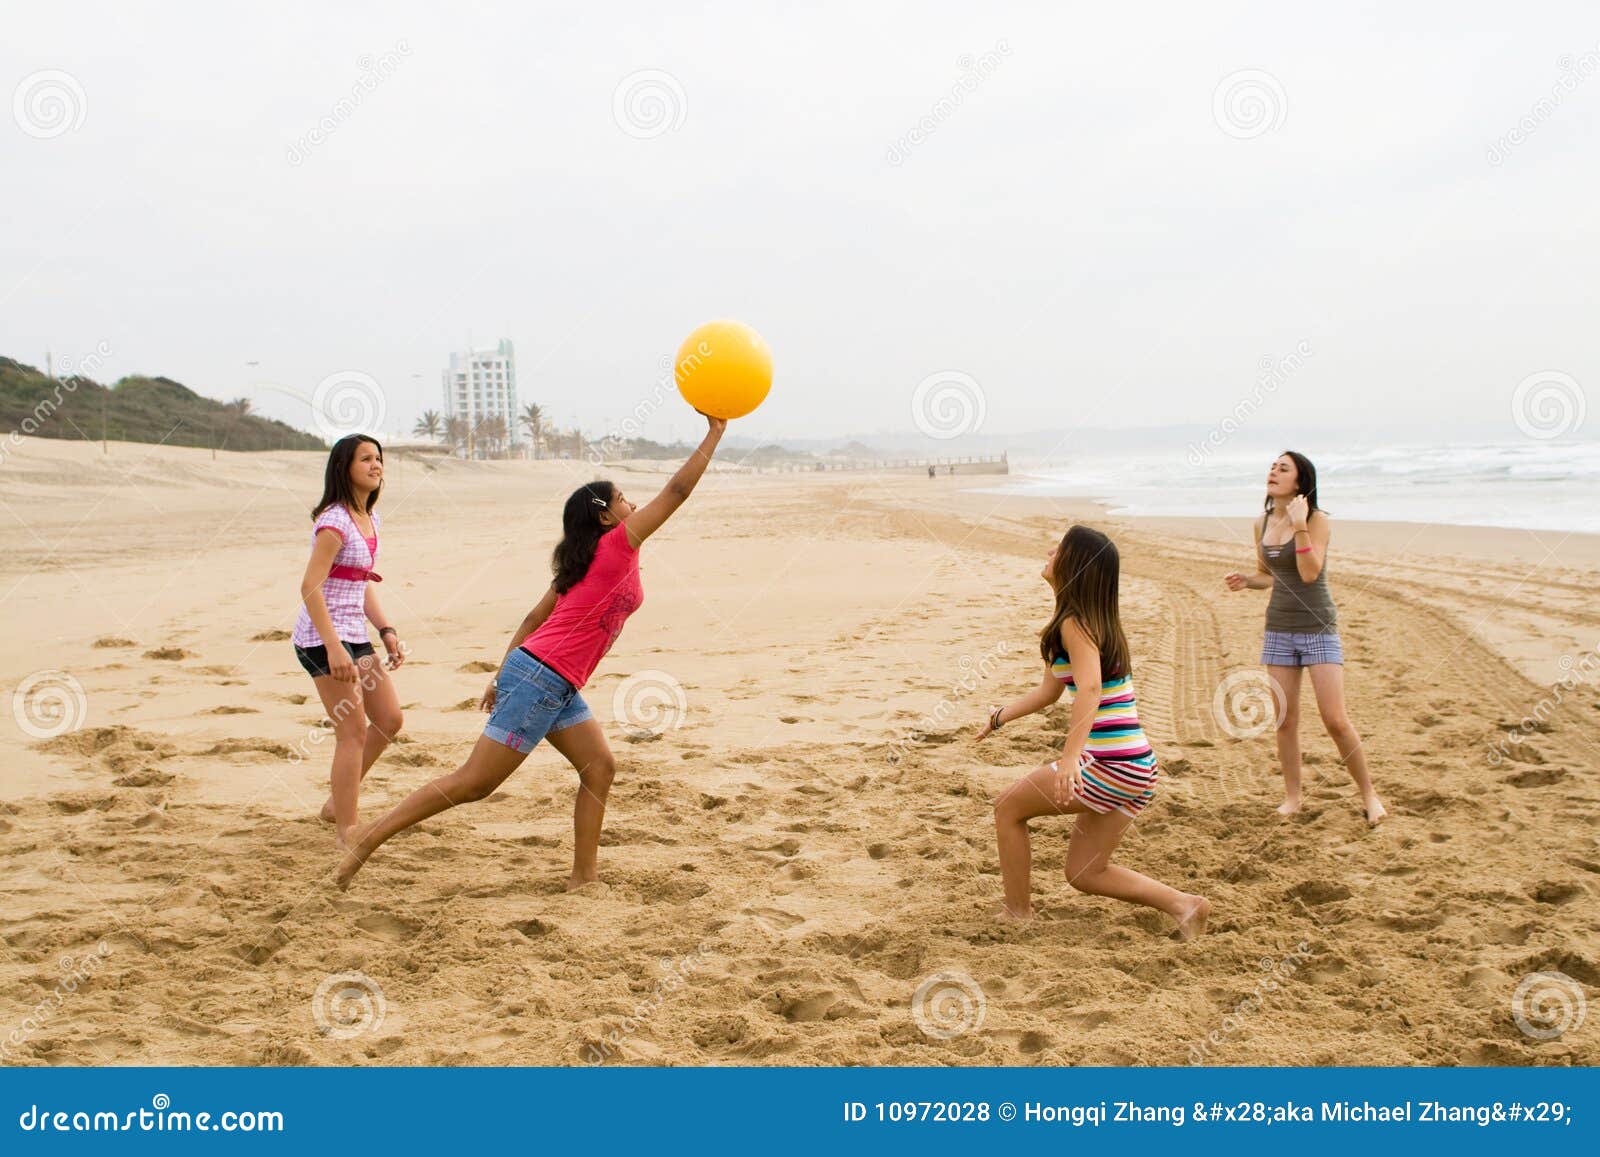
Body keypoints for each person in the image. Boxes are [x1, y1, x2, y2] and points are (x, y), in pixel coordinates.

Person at [336, 414, 728, 889]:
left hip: (548, 679)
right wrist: (715, 433)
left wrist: (501, 675)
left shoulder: (584, 561)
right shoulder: (618, 545)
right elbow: (677, 493)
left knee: (599, 767)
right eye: (624, 498)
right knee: (474, 783)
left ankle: (583, 878)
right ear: (605, 516)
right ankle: (368, 837)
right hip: (544, 676)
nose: (635, 503)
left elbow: (531, 621)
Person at [984, 525, 1210, 938]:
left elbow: (1090, 688)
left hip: (1109, 763)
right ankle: (1185, 905)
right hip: (1137, 766)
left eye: (1061, 548)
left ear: (1075, 565)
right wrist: (1002, 716)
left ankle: (1017, 912)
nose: (1050, 551)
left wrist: (1070, 759)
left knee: (1007, 809)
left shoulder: (1075, 623)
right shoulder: (1081, 622)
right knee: (1085, 872)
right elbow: (1050, 692)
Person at [1225, 451, 1385, 824]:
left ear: (1300, 482)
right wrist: (1248, 581)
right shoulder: (1261, 522)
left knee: (1335, 720)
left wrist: (1299, 526)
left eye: (1283, 469)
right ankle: (1293, 798)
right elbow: (1269, 575)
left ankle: (1369, 795)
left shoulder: (1316, 520)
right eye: (1272, 467)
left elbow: (1310, 573)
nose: (1273, 472)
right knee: (1284, 720)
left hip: (1318, 627)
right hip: (1279, 628)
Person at [291, 434, 405, 851]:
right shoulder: (334, 521)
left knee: (389, 720)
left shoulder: (369, 519)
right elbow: (310, 586)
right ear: (345, 467)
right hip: (321, 639)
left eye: (379, 458)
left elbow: (360, 584)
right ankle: (348, 832)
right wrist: (334, 647)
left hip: (355, 633)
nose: (376, 465)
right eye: (366, 459)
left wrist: (386, 630)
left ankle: (336, 804)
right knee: (352, 732)